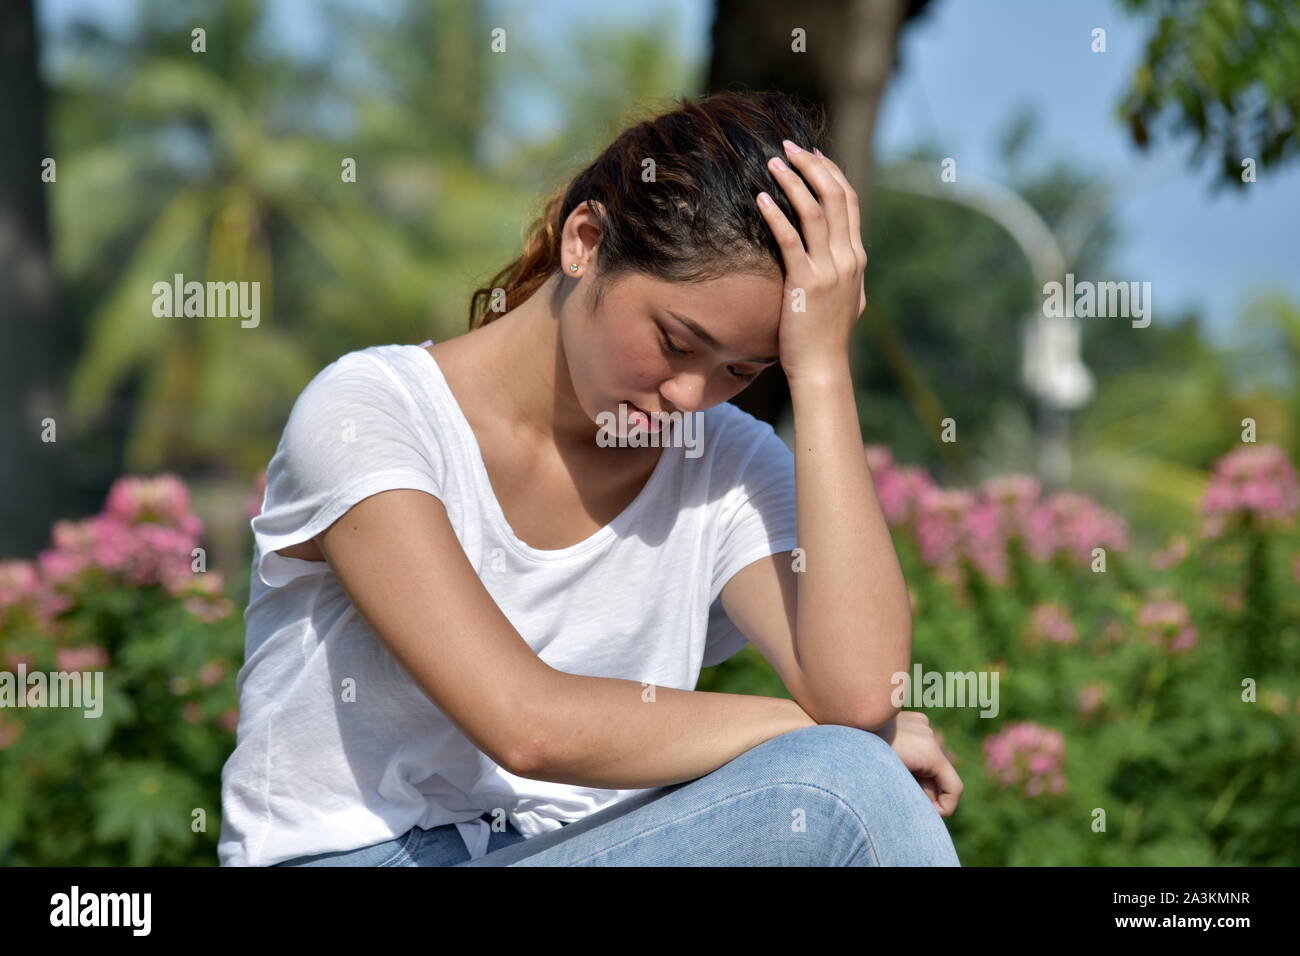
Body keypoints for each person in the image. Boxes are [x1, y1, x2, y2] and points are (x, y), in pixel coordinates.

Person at [217, 90, 962, 867]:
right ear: (586, 240)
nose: (689, 395)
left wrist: (820, 371)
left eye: (741, 370)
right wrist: (816, 732)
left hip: (577, 850)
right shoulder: (370, 413)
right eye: (676, 341)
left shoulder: (727, 463)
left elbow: (859, 694)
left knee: (855, 774)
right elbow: (526, 725)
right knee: (846, 779)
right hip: (355, 860)